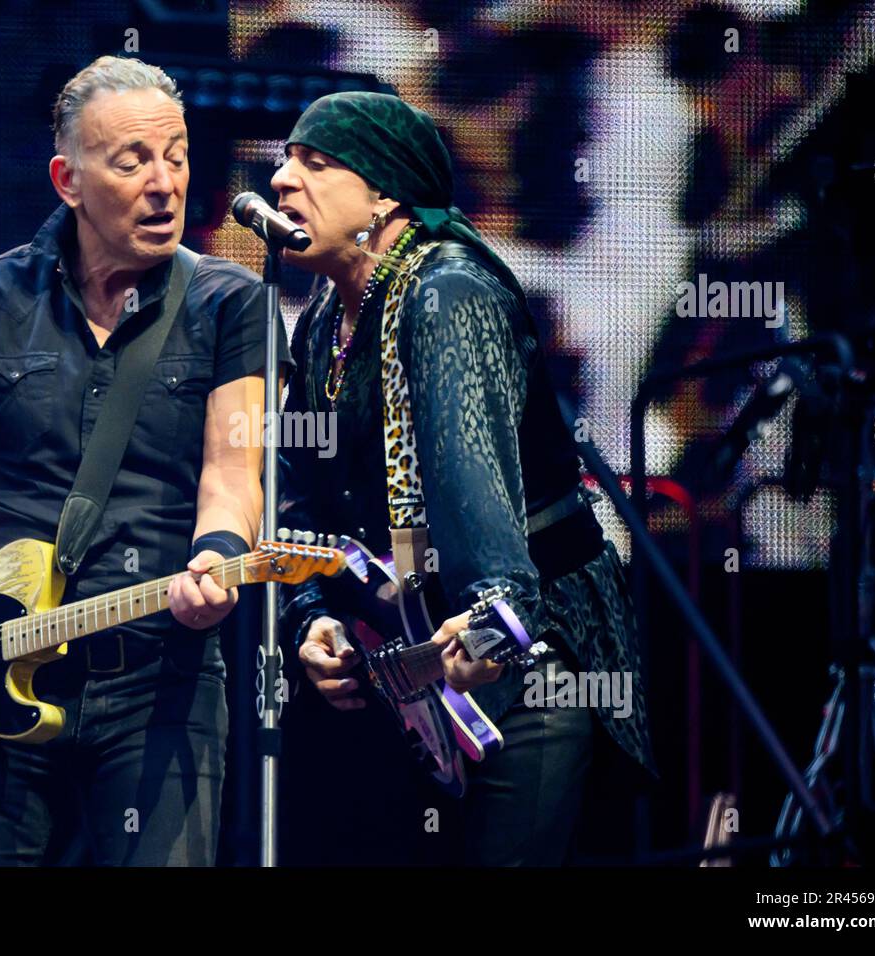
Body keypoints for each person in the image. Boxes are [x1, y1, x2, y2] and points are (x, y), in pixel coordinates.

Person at [0, 56, 287, 866]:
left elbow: (232, 473)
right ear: (67, 180)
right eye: (133, 161)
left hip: (159, 682)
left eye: (177, 156)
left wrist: (219, 556)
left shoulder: (231, 303)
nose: (165, 183)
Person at [273, 91, 656, 865]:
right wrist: (308, 613)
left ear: (383, 196)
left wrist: (493, 618)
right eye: (286, 160)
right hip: (417, 673)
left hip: (530, 668)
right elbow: (303, 497)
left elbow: (474, 493)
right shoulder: (322, 320)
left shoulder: (448, 294)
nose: (283, 180)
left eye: (315, 164)